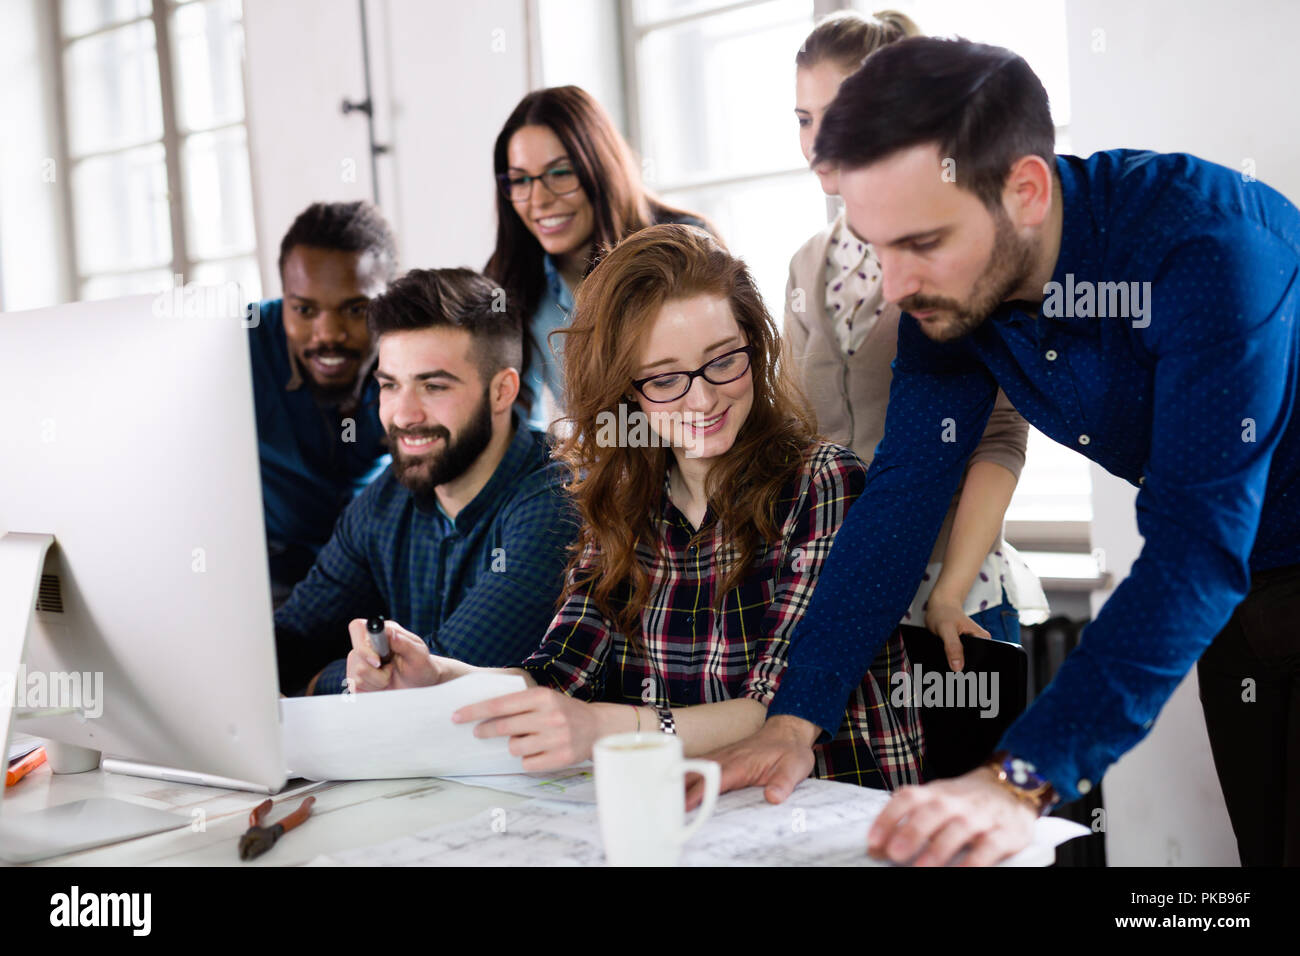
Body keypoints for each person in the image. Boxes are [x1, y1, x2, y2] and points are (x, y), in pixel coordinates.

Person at [703, 36, 1300, 867]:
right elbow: (906, 490)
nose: (897, 287)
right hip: (1249, 593)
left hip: (1234, 548)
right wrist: (795, 718)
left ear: (1024, 190)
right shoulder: (950, 292)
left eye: (919, 243)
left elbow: (1195, 549)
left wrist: (1020, 778)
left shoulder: (1209, 250)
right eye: (878, 249)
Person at [345, 224, 925, 790]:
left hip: (829, 800)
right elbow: (559, 673)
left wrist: (600, 726)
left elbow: (775, 708)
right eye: (665, 379)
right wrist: (442, 677)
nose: (702, 398)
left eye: (724, 360)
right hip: (693, 806)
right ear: (625, 391)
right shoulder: (625, 498)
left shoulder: (823, 481)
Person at [787, 10, 1046, 668]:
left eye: (837, 113)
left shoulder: (956, 244)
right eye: (803, 118)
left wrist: (950, 593)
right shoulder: (807, 263)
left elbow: (1000, 438)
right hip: (837, 595)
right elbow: (793, 434)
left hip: (954, 596)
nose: (818, 141)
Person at [274, 268, 579, 697]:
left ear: (502, 391)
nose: (403, 415)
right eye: (390, 386)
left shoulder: (556, 500)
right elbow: (286, 645)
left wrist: (316, 683)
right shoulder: (385, 500)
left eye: (433, 386)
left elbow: (432, 687)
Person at [484, 86, 713, 432]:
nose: (539, 200)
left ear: (600, 167)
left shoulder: (687, 245)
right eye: (520, 181)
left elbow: (722, 384)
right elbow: (518, 425)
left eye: (560, 173)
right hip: (604, 479)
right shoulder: (514, 278)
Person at [249, 201, 398, 605]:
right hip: (270, 577)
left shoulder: (411, 352)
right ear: (283, 299)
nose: (328, 334)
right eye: (304, 310)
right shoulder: (237, 349)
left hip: (379, 572)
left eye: (355, 309)